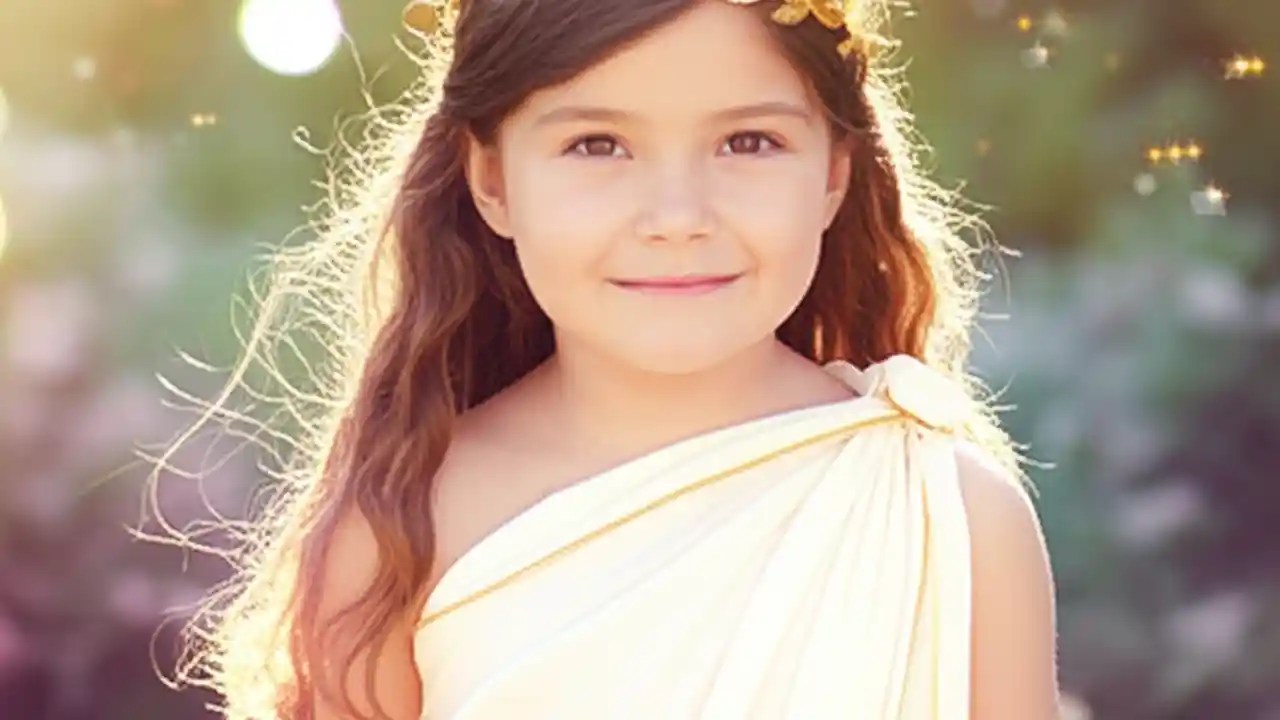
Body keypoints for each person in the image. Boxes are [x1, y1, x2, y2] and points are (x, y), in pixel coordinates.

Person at [166, 0, 1059, 717]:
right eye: (597, 145)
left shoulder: (955, 510)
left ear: (833, 176)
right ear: (492, 181)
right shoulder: (405, 525)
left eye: (749, 142)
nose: (677, 215)